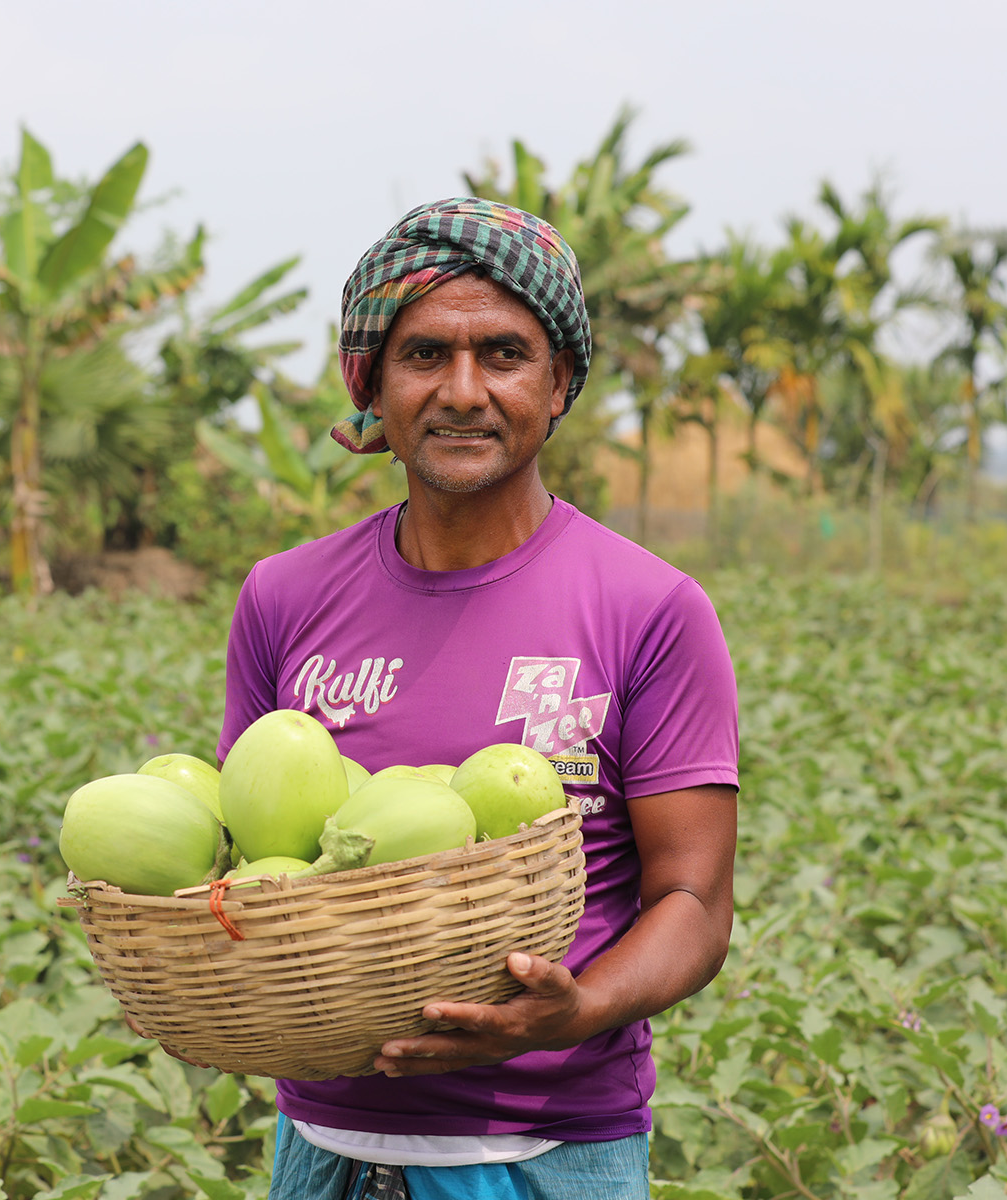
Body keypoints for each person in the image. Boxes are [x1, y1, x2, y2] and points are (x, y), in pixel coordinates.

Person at [215, 197, 740, 1200]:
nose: (464, 391)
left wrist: (576, 1008)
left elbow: (694, 904)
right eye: (424, 356)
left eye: (503, 354)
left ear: (558, 385)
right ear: (374, 383)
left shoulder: (650, 610)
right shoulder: (282, 598)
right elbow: (253, 861)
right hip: (319, 1145)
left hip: (548, 1154)